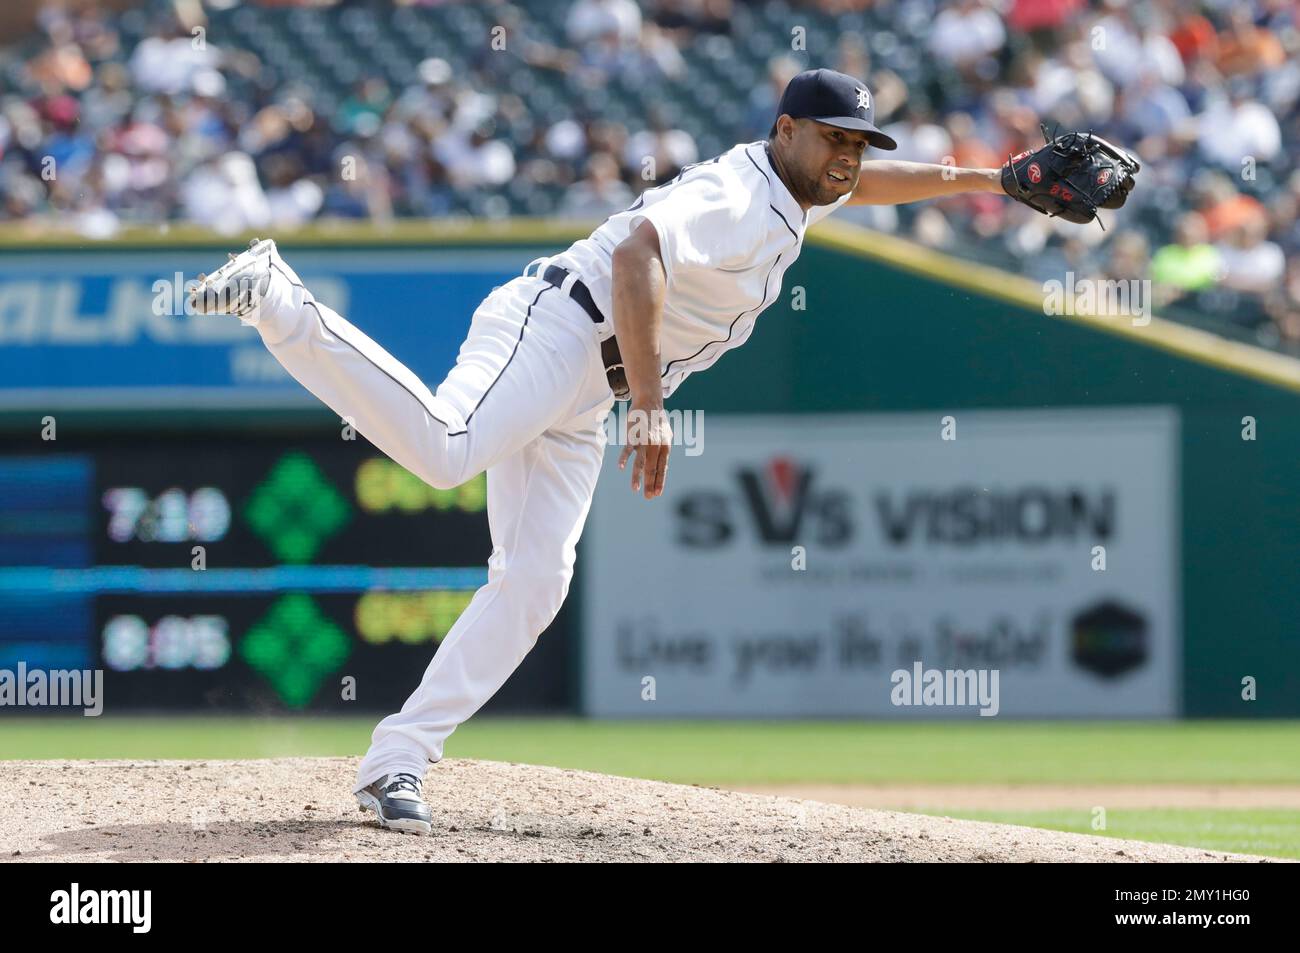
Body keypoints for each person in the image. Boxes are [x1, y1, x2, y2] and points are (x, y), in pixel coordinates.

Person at [190, 69, 1012, 835]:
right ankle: (281, 299)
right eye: (834, 138)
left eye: (859, 142)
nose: (848, 157)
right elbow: (636, 254)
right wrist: (651, 409)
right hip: (557, 329)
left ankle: (395, 760)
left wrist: (992, 181)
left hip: (590, 387)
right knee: (447, 448)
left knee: (535, 583)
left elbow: (868, 187)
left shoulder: (797, 190)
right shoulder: (738, 192)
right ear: (785, 129)